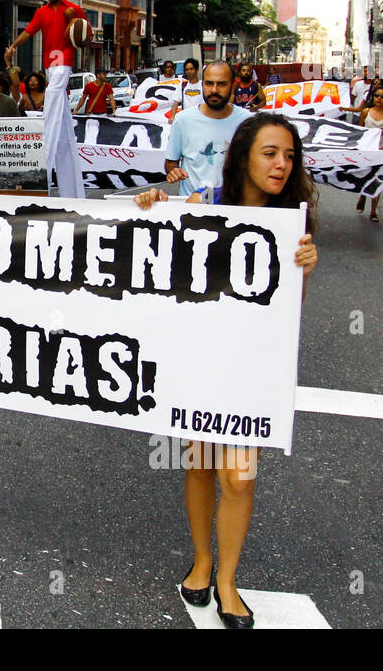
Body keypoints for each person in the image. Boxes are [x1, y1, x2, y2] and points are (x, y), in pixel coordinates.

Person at [136, 111, 318, 629]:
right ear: (242, 158)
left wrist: (307, 262)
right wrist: (151, 205)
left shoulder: (294, 223)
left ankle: (228, 582)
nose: (281, 165)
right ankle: (202, 562)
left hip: (252, 367)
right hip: (199, 359)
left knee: (238, 477)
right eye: (270, 153)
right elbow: (156, 245)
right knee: (199, 464)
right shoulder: (206, 204)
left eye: (289, 156)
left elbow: (286, 307)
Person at [5, 0, 88, 198]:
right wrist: (13, 46)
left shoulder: (73, 9)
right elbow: (29, 32)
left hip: (64, 61)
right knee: (64, 133)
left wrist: (79, 32)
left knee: (52, 92)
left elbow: (86, 36)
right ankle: (73, 193)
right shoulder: (41, 12)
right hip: (50, 63)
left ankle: (45, 141)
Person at [165, 61, 253, 202]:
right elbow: (170, 163)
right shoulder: (182, 120)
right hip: (192, 209)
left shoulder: (249, 121)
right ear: (202, 84)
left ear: (233, 85)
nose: (214, 90)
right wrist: (174, 171)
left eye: (222, 84)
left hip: (234, 208)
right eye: (209, 83)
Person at [350, 85, 383, 221]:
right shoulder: (366, 112)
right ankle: (363, 195)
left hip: (382, 150)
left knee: (378, 178)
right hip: (367, 150)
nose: (379, 99)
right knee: (366, 176)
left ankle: (373, 211)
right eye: (377, 96)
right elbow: (360, 130)